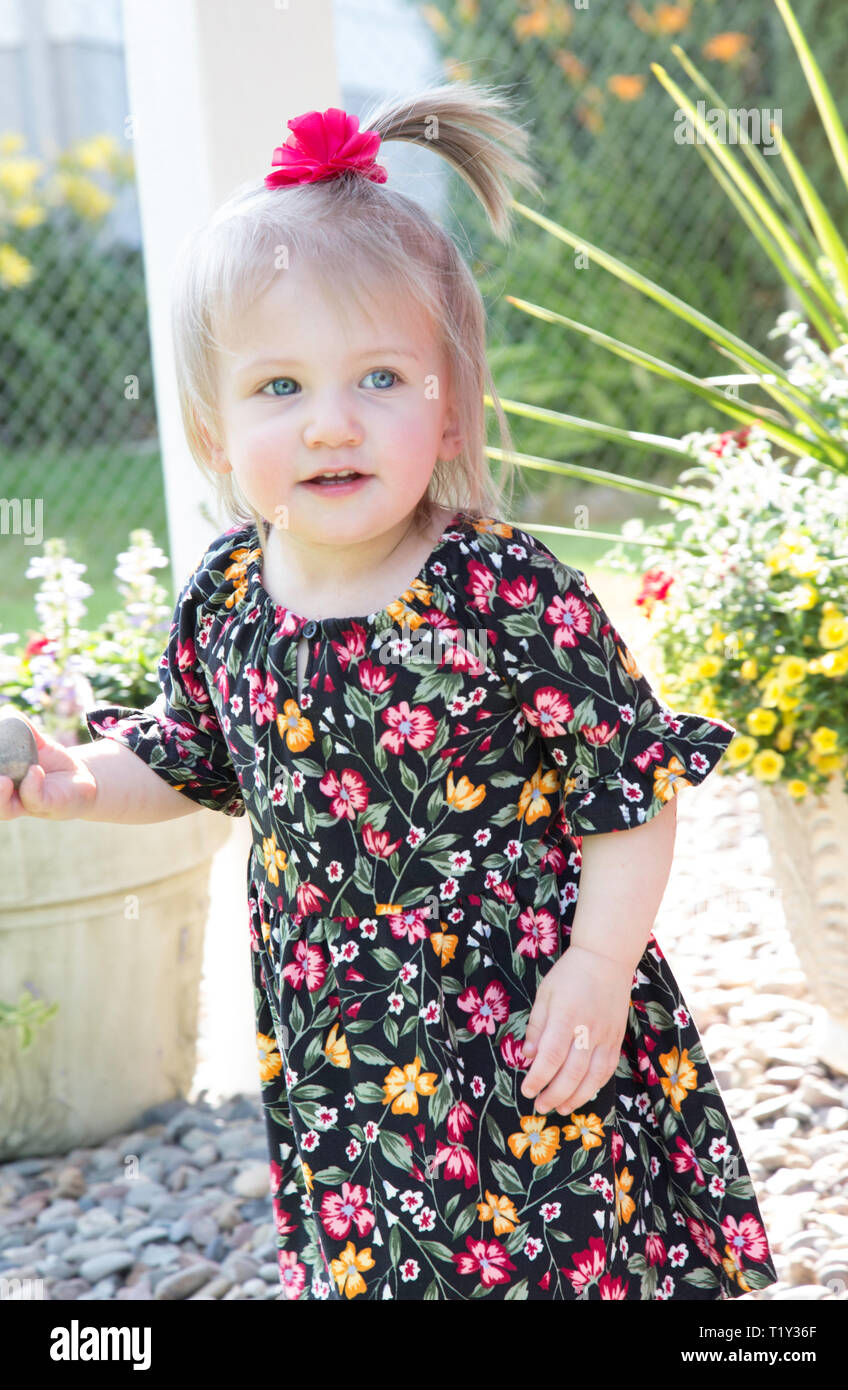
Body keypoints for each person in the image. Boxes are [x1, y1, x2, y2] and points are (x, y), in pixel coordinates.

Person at [0, 83, 778, 1301]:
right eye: (279, 390)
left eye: (378, 378)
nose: (329, 426)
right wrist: (63, 782)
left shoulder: (500, 589)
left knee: (557, 1259)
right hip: (344, 1044)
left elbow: (629, 788)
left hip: (527, 1024)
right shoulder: (229, 593)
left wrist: (597, 964)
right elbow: (190, 755)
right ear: (211, 430)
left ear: (449, 399)